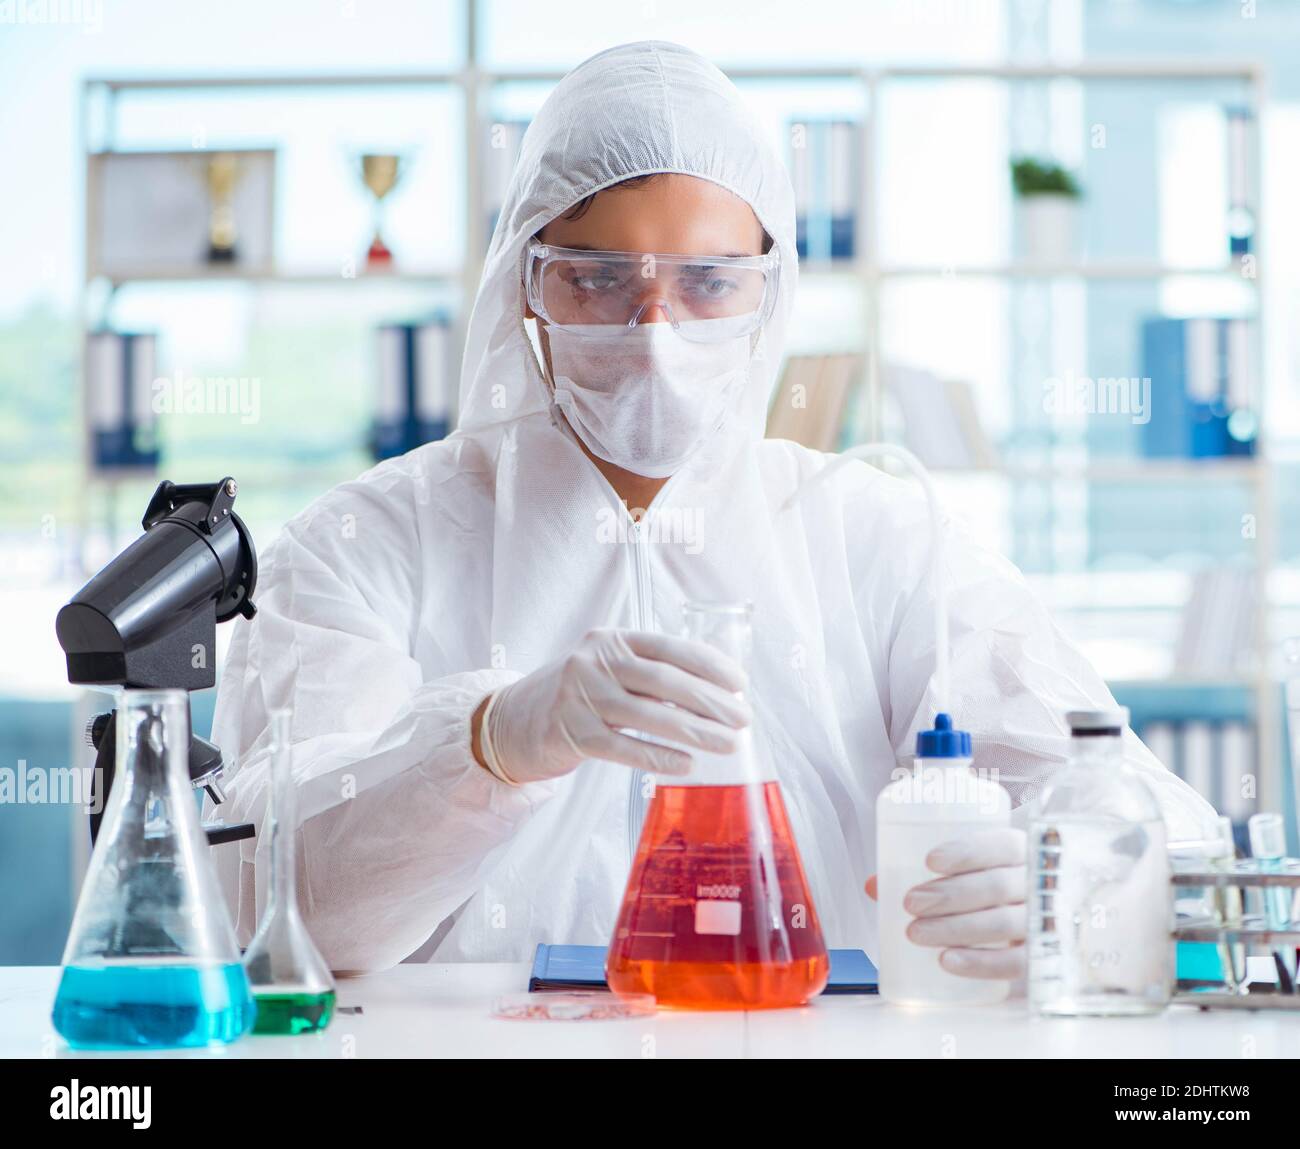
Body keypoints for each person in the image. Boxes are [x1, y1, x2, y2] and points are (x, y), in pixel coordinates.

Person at [210, 41, 1215, 977]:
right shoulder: (367, 545)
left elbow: (1145, 817)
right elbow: (273, 906)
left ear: (766, 293)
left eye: (706, 282)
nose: (654, 330)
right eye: (599, 279)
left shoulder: (871, 534)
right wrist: (489, 739)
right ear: (527, 286)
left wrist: (1065, 883)